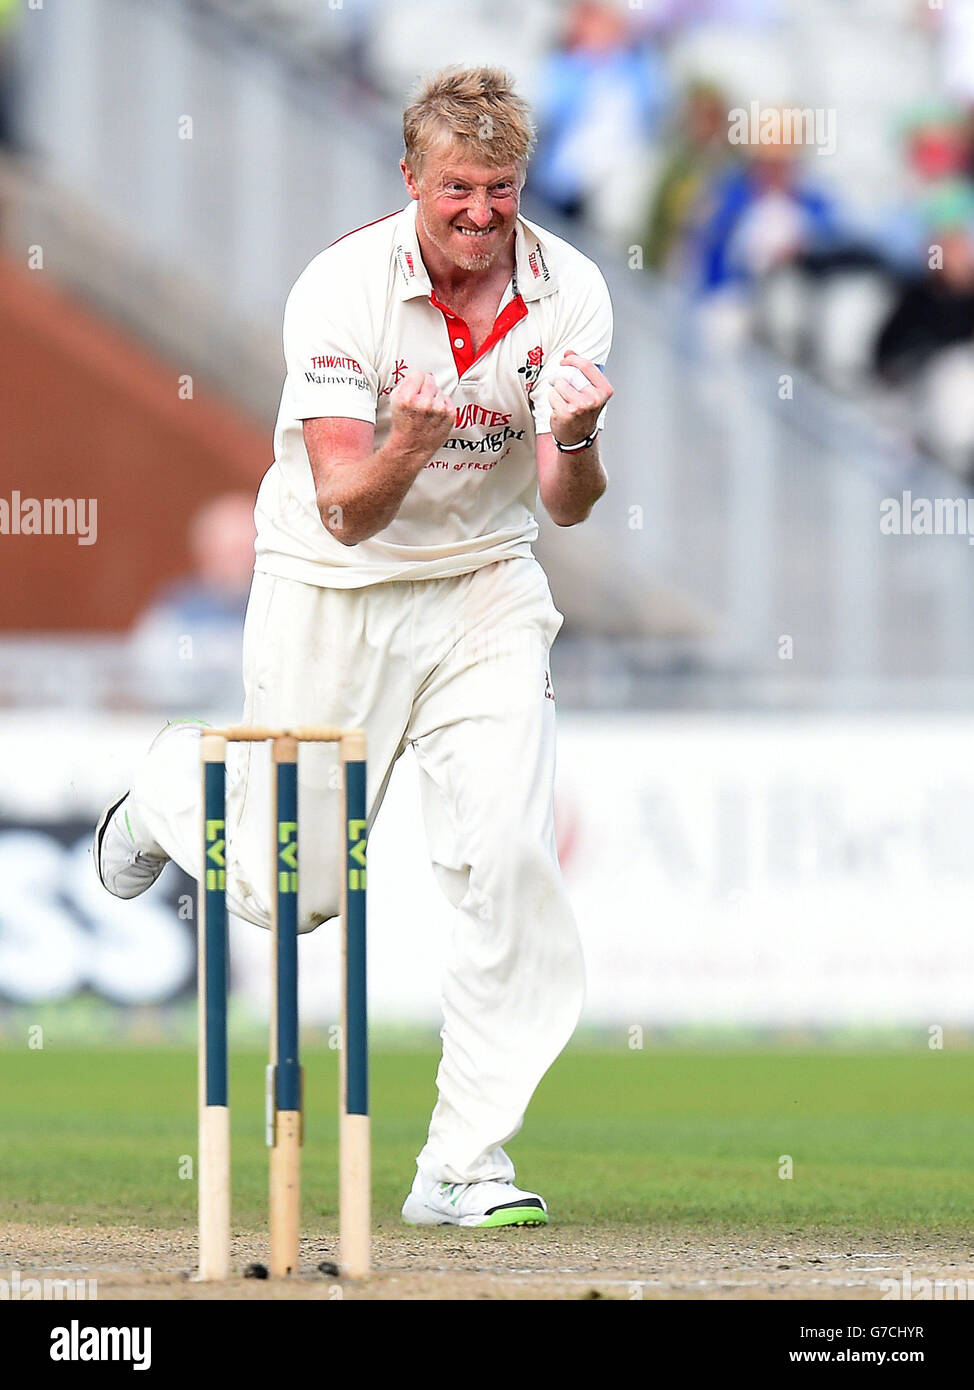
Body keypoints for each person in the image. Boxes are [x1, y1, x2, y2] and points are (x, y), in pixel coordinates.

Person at [93, 66, 614, 1230]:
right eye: (457, 189)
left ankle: (462, 1164)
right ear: (411, 181)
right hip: (335, 584)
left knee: (506, 861)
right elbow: (342, 505)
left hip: (483, 586)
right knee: (299, 893)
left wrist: (574, 440)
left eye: (501, 190)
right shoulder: (341, 287)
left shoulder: (567, 289)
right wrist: (408, 443)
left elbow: (566, 504)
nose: (480, 213)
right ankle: (175, 785)